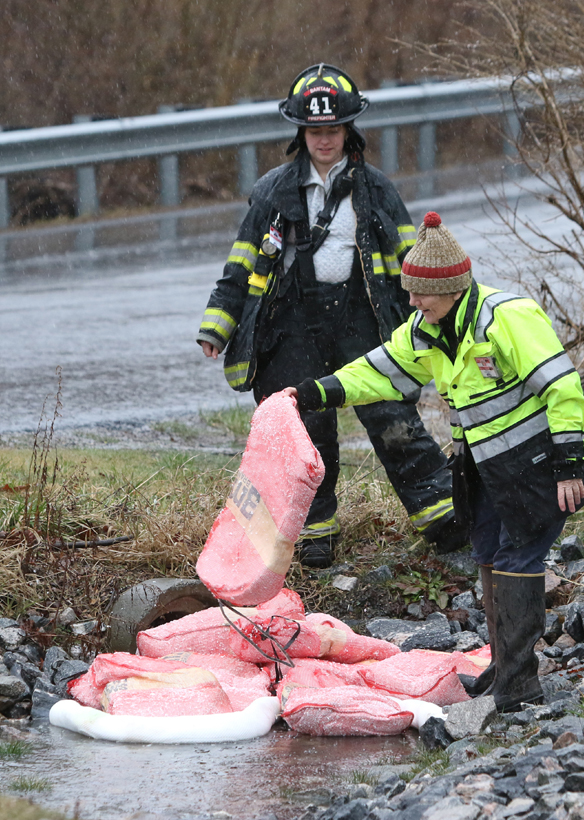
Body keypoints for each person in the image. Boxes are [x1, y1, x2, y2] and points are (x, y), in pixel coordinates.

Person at [285, 211, 584, 711]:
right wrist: (316, 392)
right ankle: (502, 666)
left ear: (452, 288)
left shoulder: (507, 318)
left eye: (419, 293)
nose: (410, 302)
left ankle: (519, 689)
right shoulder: (423, 328)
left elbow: (563, 388)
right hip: (484, 469)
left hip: (544, 463)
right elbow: (378, 370)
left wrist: (568, 464)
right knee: (486, 551)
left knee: (517, 557)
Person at [196, 63, 458, 569]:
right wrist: (217, 326)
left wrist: (434, 313)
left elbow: (410, 257)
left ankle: (443, 517)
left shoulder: (376, 189)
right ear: (302, 133)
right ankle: (316, 532)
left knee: (390, 415)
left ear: (348, 130)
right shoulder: (274, 191)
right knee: (306, 426)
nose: (324, 140)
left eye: (333, 130)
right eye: (315, 131)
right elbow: (242, 261)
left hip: (362, 315)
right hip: (292, 321)